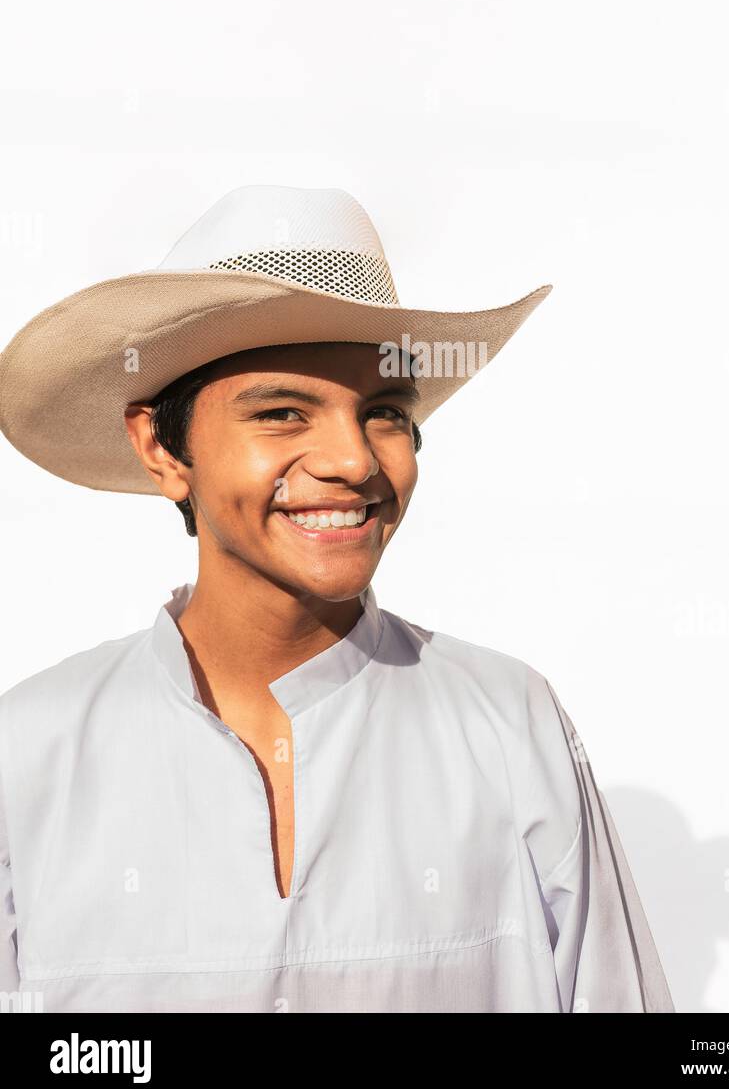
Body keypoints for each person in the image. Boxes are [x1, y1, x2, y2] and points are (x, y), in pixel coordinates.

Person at [0, 184, 674, 1013]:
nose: (353, 461)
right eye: (282, 412)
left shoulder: (508, 727)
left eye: (384, 413)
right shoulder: (29, 754)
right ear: (161, 448)